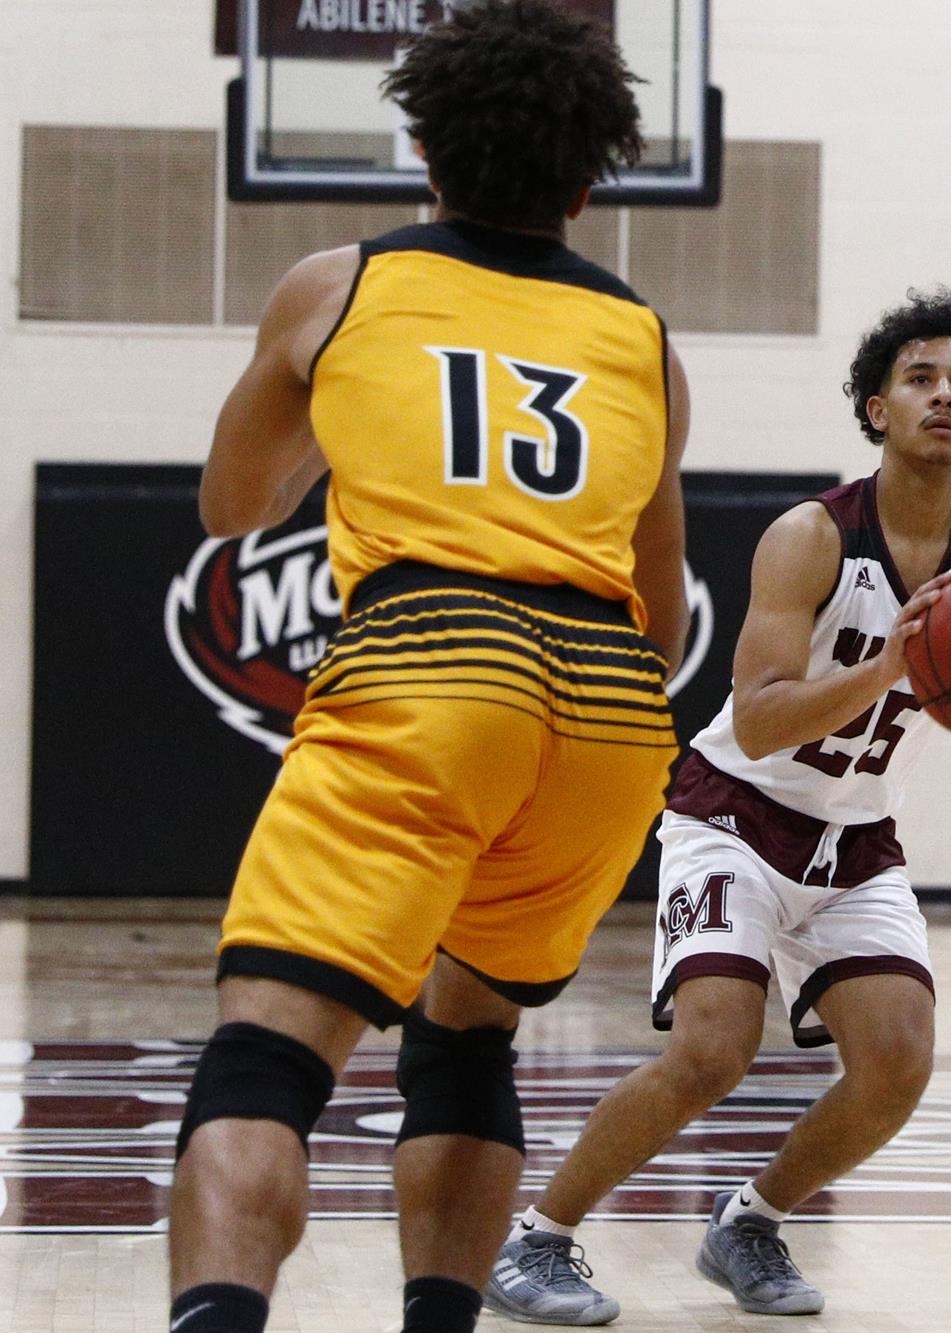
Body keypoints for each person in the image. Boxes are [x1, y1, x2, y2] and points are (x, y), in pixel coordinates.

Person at [166, 4, 690, 1332]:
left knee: (266, 1058)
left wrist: (327, 421)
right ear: (591, 174)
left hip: (434, 661)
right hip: (614, 713)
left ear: (422, 146)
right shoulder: (645, 339)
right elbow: (669, 611)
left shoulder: (339, 283)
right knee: (467, 1037)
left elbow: (233, 506)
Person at [485, 288, 951, 1324]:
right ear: (875, 409)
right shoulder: (809, 537)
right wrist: (889, 666)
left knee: (900, 1060)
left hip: (856, 838)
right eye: (919, 379)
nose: (942, 397)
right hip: (733, 810)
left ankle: (750, 1222)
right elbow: (761, 719)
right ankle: (535, 1239)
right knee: (711, 1051)